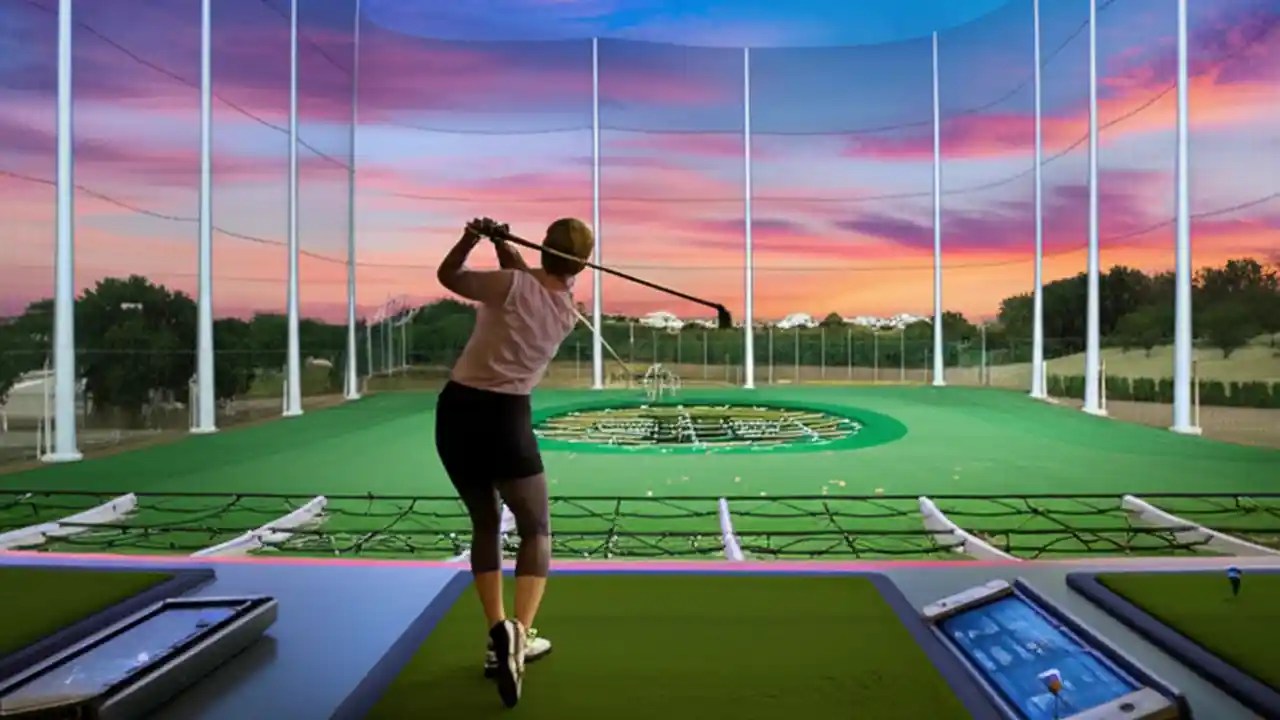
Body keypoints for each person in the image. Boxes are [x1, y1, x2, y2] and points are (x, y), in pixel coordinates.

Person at [434, 216, 594, 708]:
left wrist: (472, 237)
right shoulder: (567, 310)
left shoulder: (511, 285)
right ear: (581, 266)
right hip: (506, 419)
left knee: (485, 524)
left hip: (457, 412)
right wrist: (504, 245)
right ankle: (519, 634)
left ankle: (496, 635)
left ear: (542, 249)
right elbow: (527, 282)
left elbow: (450, 277)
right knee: (536, 530)